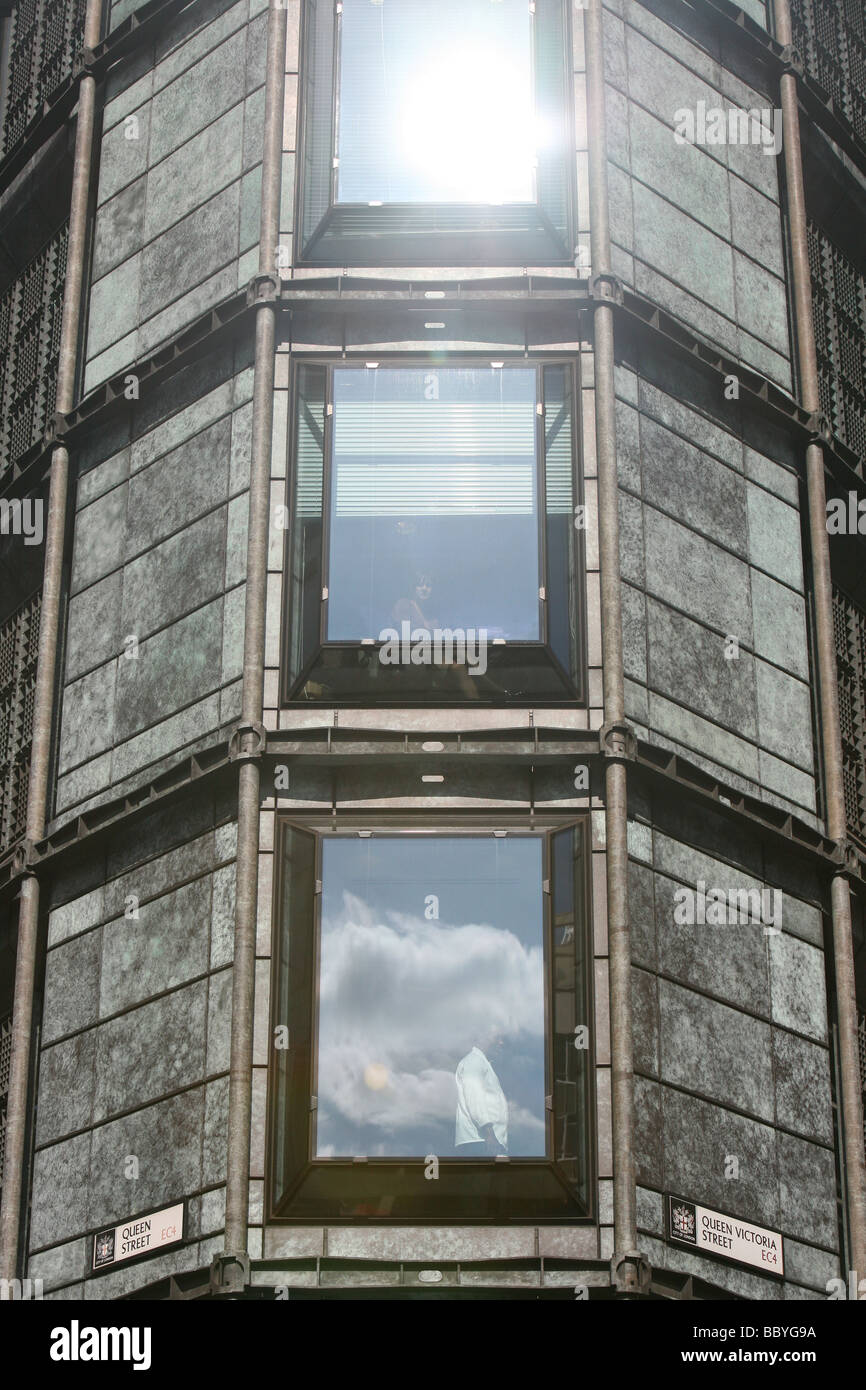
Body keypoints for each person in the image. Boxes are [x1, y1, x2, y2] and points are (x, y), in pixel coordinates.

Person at [454, 1033, 508, 1156]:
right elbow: (475, 1098)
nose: (501, 1043)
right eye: (497, 1037)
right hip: (481, 1142)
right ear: (481, 1037)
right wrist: (489, 1134)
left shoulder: (482, 1063)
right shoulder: (475, 1061)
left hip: (485, 1142)